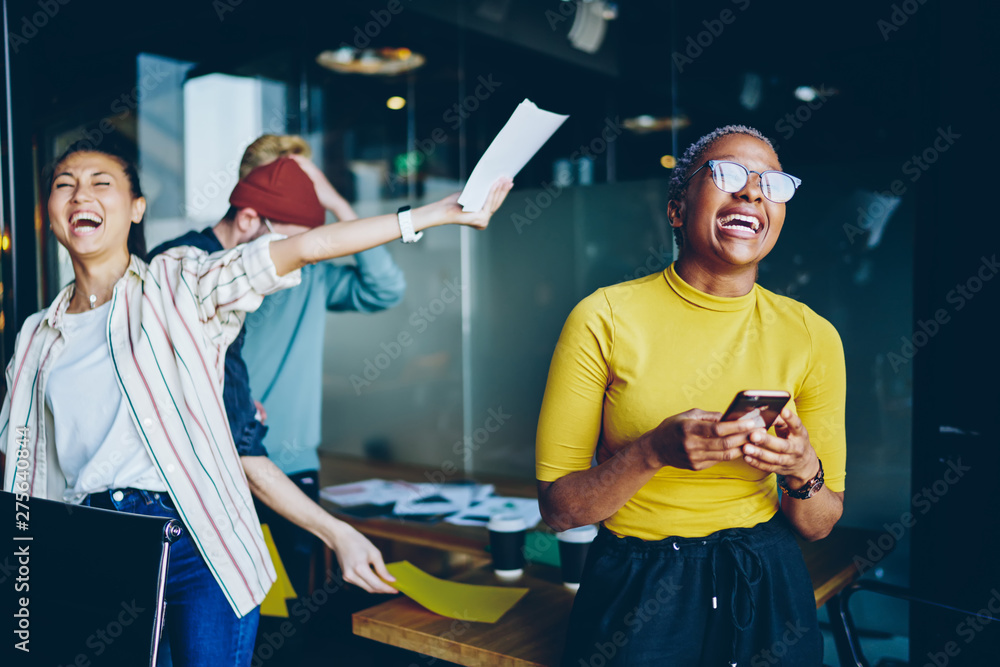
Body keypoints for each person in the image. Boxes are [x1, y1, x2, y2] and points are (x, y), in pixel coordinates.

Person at [0, 134, 512, 666]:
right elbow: (22, 471)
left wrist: (436, 214)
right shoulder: (36, 338)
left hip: (200, 542)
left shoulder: (179, 281)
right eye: (65, 185)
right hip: (101, 545)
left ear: (136, 208)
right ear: (50, 213)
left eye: (100, 183)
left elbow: (307, 247)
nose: (81, 194)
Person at [535, 125, 845, 666]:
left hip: (766, 575)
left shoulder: (812, 335)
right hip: (637, 583)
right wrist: (651, 451)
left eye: (771, 184)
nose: (752, 192)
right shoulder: (603, 318)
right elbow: (560, 511)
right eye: (728, 174)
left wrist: (802, 468)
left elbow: (819, 525)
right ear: (677, 210)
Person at [235, 135, 405, 595]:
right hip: (222, 464)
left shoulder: (311, 275)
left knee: (289, 610)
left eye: (307, 187)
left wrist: (336, 203)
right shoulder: (211, 269)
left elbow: (385, 289)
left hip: (292, 467)